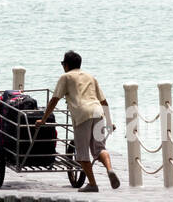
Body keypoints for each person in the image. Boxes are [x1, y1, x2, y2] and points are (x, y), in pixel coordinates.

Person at [37, 50, 120, 191]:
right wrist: (109, 123)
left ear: (67, 65)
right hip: (98, 112)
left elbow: (54, 99)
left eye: (63, 64)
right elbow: (104, 101)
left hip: (82, 115)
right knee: (99, 149)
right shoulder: (90, 77)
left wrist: (43, 119)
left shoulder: (66, 77)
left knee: (82, 153)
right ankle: (110, 169)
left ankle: (93, 184)